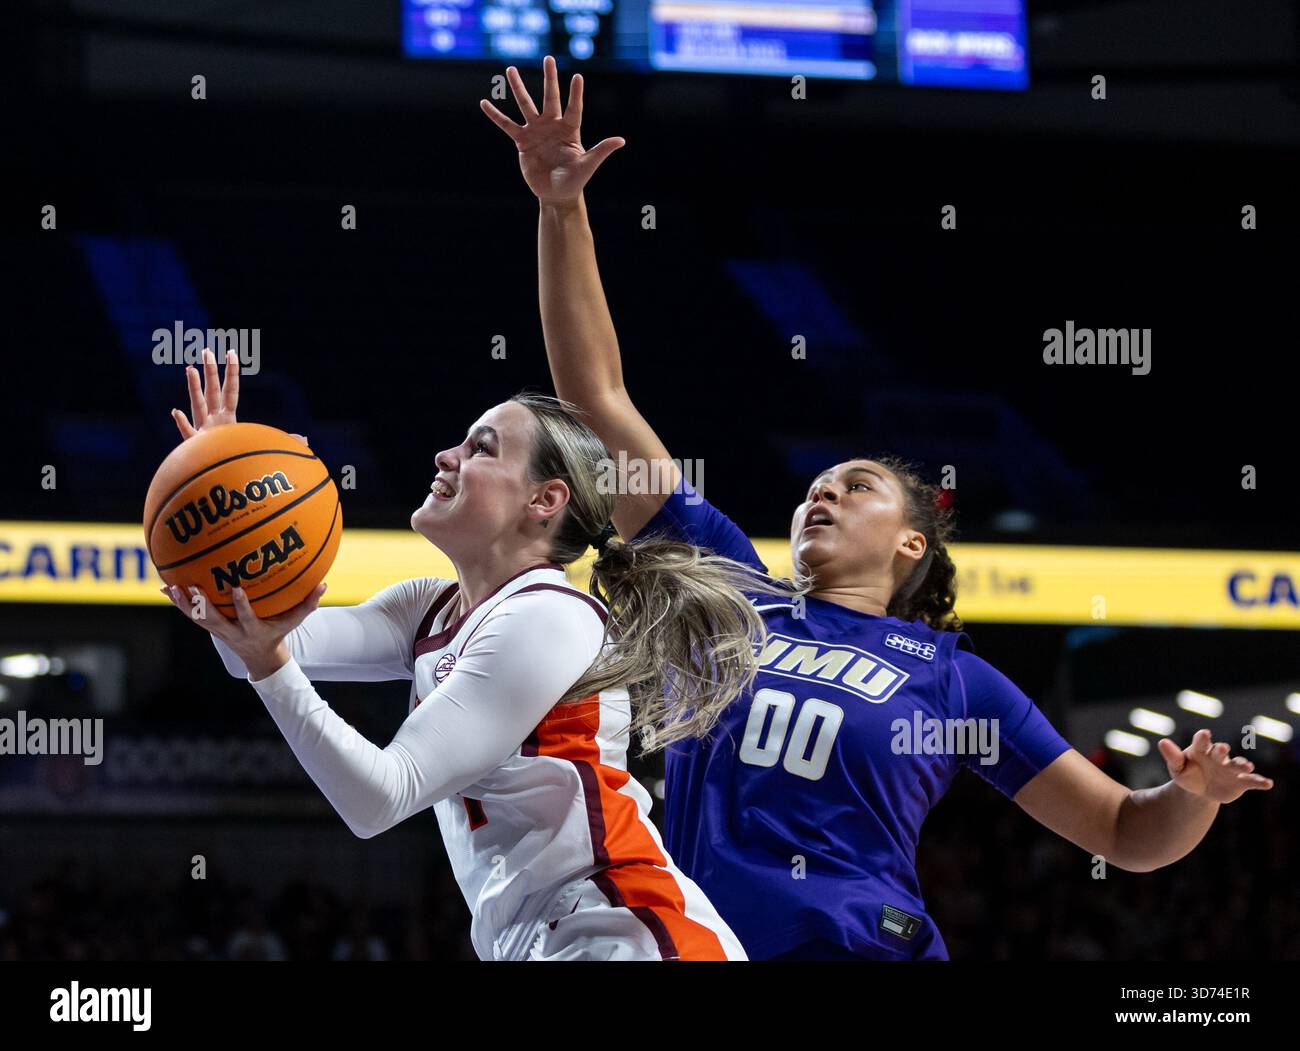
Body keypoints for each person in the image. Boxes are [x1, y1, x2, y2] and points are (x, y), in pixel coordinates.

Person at [483, 57, 1277, 960]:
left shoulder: (952, 682)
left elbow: (1129, 836)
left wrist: (1195, 799)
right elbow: (597, 398)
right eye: (818, 482)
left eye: (856, 484)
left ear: (911, 541)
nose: (822, 490)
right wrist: (560, 208)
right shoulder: (729, 588)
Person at [162, 348, 765, 960]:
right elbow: (252, 646)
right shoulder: (427, 608)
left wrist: (269, 666)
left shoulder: (549, 616)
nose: (444, 456)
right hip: (550, 941)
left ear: (544, 501)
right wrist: (221, 503)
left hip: (627, 935)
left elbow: (380, 797)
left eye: (482, 448)